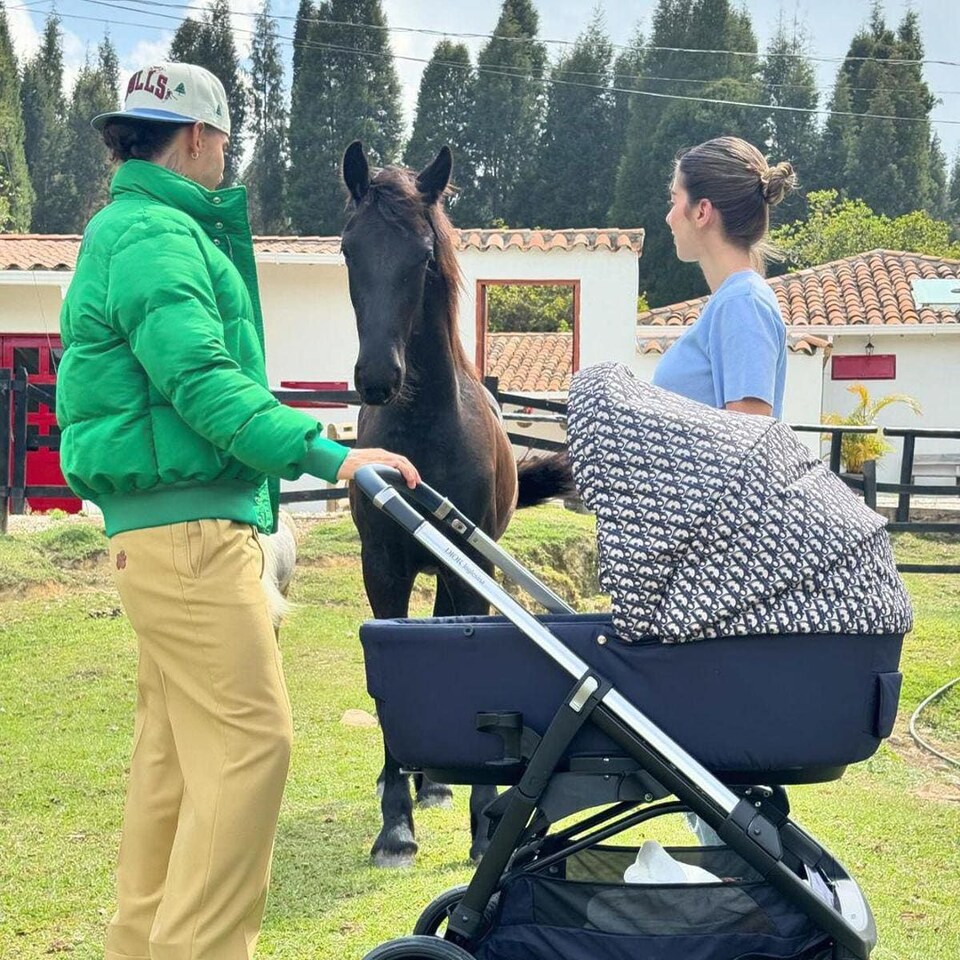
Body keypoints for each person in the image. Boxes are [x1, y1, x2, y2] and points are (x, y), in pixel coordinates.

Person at [55, 62, 419, 960]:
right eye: (223, 138)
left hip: (161, 535)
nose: (227, 154)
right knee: (253, 747)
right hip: (191, 542)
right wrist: (333, 453)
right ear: (195, 137)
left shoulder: (136, 229)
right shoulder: (157, 237)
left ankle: (139, 946)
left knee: (172, 768)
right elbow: (202, 384)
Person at [654, 135, 798, 419]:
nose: (669, 217)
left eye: (674, 201)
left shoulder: (743, 304)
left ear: (702, 211)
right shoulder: (733, 301)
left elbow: (747, 440)